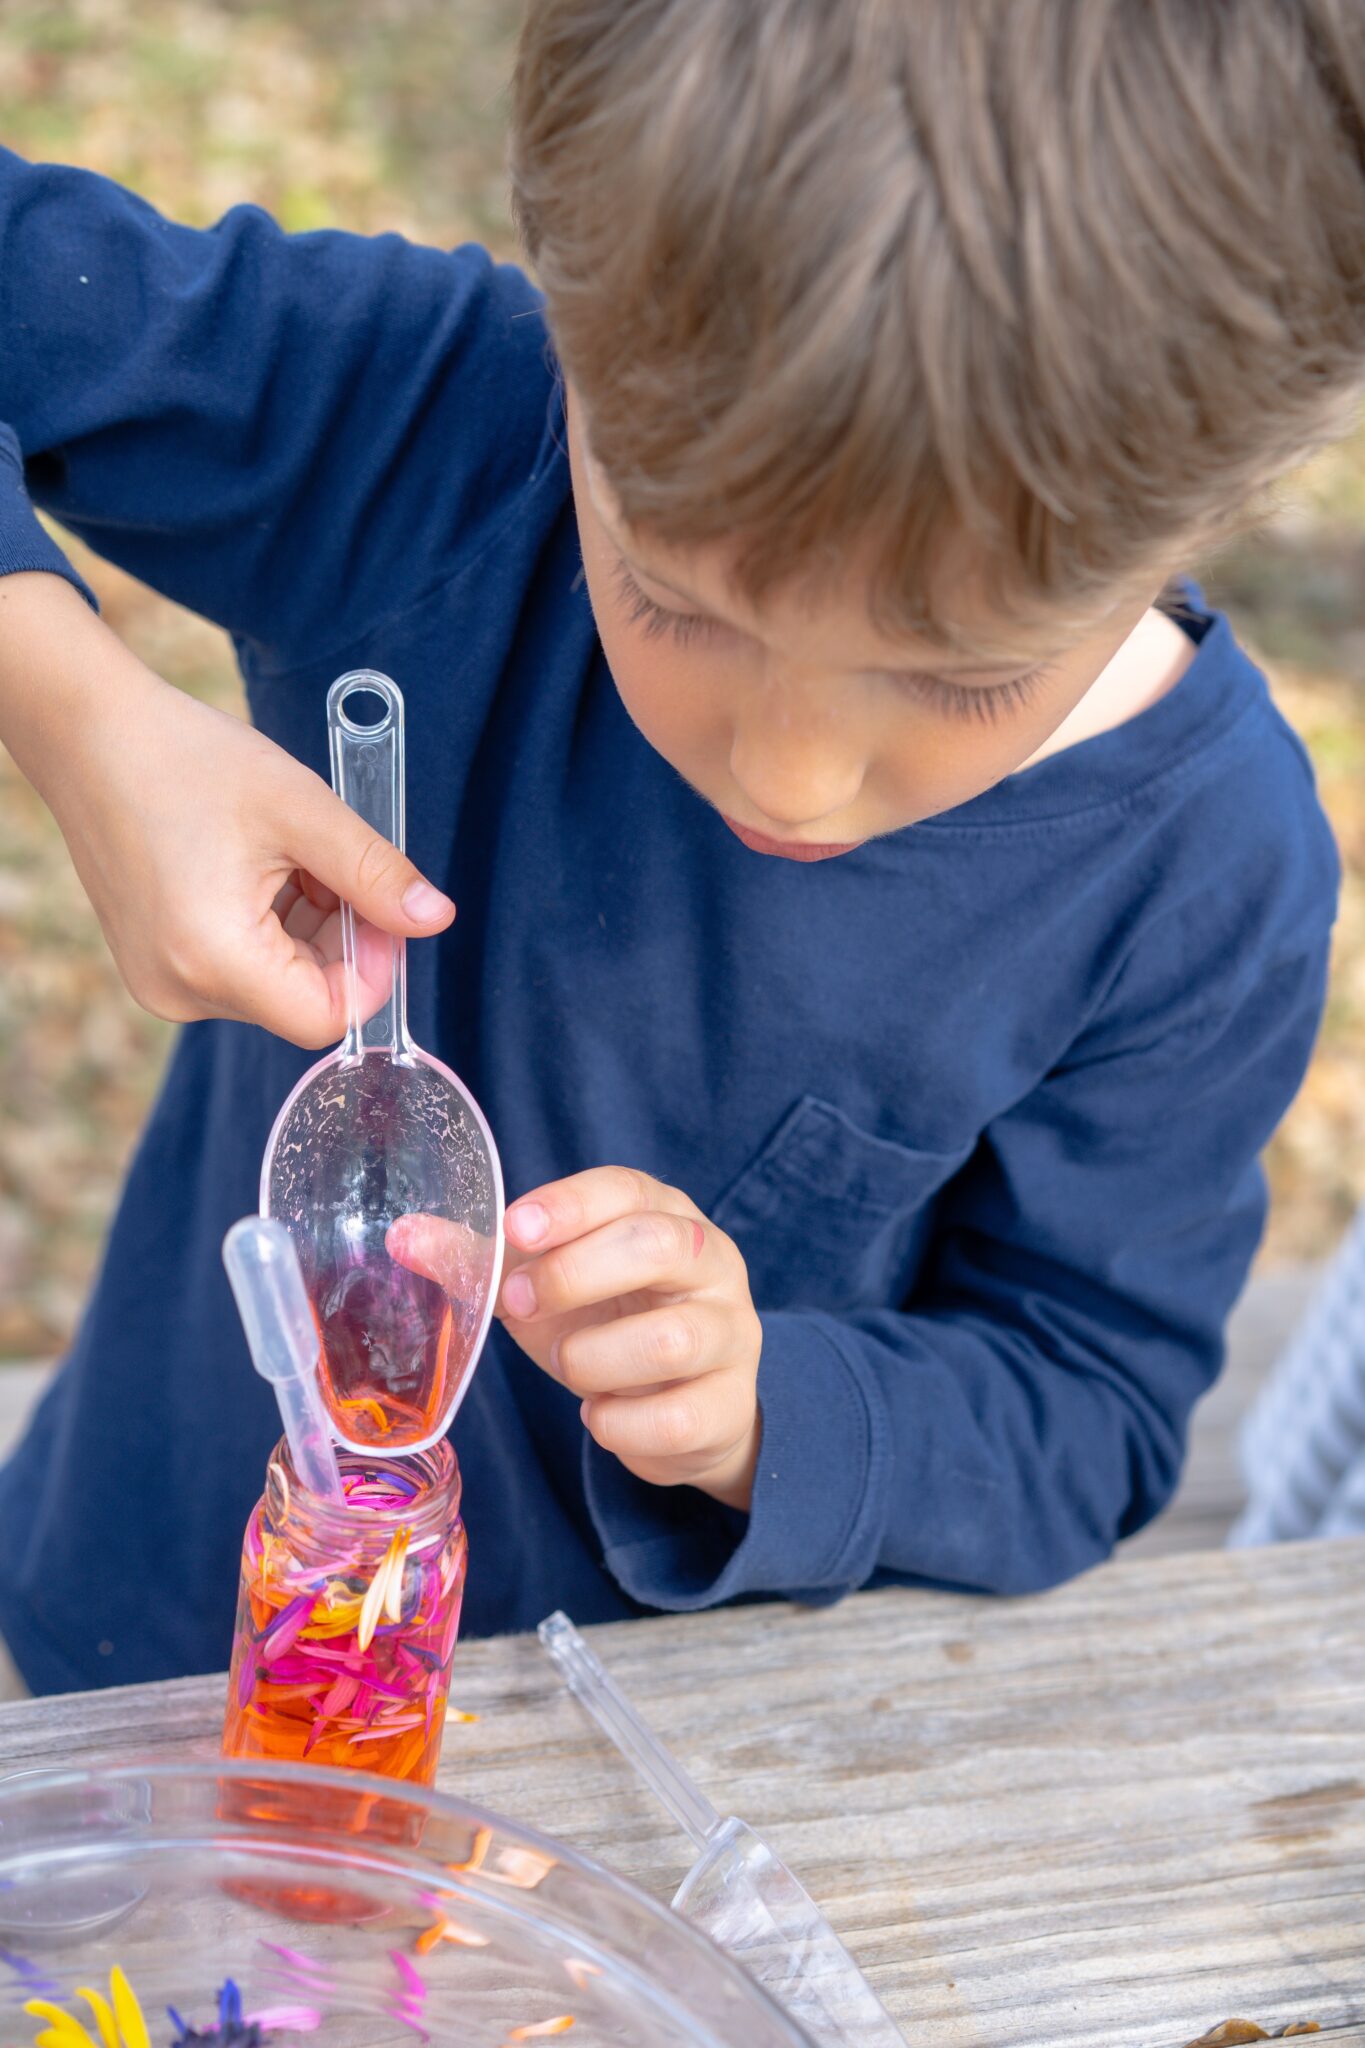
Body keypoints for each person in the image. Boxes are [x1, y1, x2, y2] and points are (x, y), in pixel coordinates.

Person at [0, 0, 1356, 1697]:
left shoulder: (1199, 881)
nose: (794, 774)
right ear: (575, 335)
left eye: (959, 674)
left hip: (644, 1785)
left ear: (1207, 510)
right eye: (669, 597)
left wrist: (770, 1412)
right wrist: (70, 708)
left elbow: (1080, 1407)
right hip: (145, 1642)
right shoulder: (432, 443)